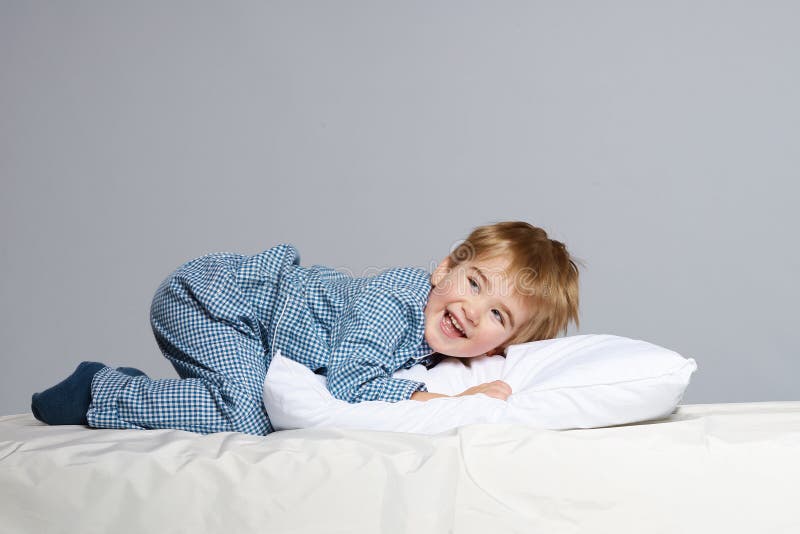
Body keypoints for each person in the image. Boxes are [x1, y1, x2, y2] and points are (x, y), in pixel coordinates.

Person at [30, 221, 579, 435]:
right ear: (443, 269)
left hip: (247, 326)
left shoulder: (444, 337)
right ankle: (102, 390)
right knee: (248, 413)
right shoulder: (393, 303)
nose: (474, 313)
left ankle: (151, 395)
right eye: (475, 284)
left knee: (245, 399)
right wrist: (432, 397)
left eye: (499, 317)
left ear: (507, 342)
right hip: (215, 299)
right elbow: (349, 384)